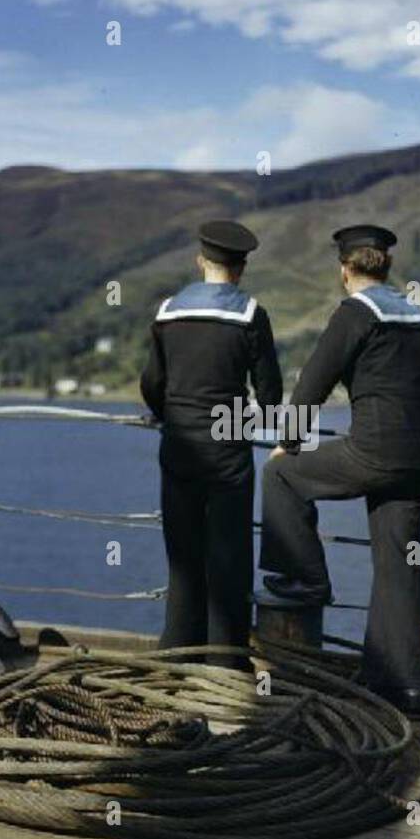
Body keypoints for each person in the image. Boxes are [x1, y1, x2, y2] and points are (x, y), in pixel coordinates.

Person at [260, 224, 420, 711]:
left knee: (280, 477)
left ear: (345, 270)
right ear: (386, 267)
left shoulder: (354, 314)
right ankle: (403, 687)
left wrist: (287, 444)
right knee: (399, 567)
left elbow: (311, 386)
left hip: (373, 454)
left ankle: (307, 579)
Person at [140, 220, 282, 666]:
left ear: (201, 261)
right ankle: (226, 657)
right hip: (228, 440)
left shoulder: (167, 312)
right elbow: (270, 393)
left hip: (179, 442)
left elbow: (152, 383)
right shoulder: (250, 315)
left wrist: (169, 415)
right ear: (240, 269)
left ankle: (179, 650)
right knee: (230, 552)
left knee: (182, 553)